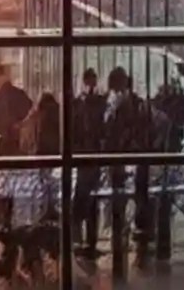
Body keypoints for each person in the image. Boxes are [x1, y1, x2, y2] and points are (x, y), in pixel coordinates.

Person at [102, 67, 172, 276]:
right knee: (137, 198)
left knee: (128, 198)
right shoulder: (137, 105)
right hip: (135, 157)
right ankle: (135, 238)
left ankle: (130, 237)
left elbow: (110, 130)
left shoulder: (125, 106)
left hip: (127, 157)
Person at [0, 92, 60, 284]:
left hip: (41, 189)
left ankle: (19, 260)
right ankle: (23, 260)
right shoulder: (53, 123)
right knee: (25, 221)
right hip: (47, 190)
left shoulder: (41, 125)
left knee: (22, 223)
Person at [0, 64, 33, 235]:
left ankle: (4, 222)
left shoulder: (1, 95)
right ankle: (8, 222)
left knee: (4, 188)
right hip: (11, 146)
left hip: (6, 146)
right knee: (10, 187)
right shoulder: (4, 94)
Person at [72, 68, 108, 257]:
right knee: (87, 199)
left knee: (87, 199)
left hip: (87, 157)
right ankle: (85, 240)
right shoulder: (86, 103)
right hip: (88, 157)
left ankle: (85, 240)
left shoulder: (84, 103)